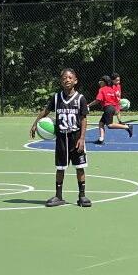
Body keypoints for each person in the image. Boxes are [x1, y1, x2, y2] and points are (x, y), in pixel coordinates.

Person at [30, 68, 91, 208]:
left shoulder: (80, 99)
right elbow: (46, 111)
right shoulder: (57, 98)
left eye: (70, 77)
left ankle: (82, 196)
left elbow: (83, 119)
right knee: (60, 168)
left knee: (80, 167)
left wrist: (82, 138)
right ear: (61, 81)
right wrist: (35, 123)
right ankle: (58, 196)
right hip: (61, 138)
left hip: (75, 137)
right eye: (64, 78)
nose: (67, 79)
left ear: (75, 80)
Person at [88, 75, 133, 144]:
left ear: (104, 82)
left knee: (109, 125)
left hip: (108, 108)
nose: (99, 83)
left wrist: (89, 105)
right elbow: (116, 102)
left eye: (101, 82)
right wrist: (117, 111)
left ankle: (127, 127)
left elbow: (98, 100)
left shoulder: (102, 89)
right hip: (112, 108)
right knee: (101, 123)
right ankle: (101, 139)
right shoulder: (112, 89)